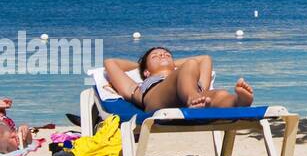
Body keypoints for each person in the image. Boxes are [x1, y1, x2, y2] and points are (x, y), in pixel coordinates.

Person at [103, 48, 254, 111]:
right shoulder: (137, 86)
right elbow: (110, 63)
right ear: (146, 72)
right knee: (191, 66)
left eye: (167, 55)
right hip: (158, 99)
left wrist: (172, 66)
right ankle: (192, 99)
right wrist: (140, 66)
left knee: (219, 95)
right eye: (155, 56)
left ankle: (238, 102)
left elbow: (205, 59)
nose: (162, 55)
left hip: (197, 95)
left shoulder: (188, 73)